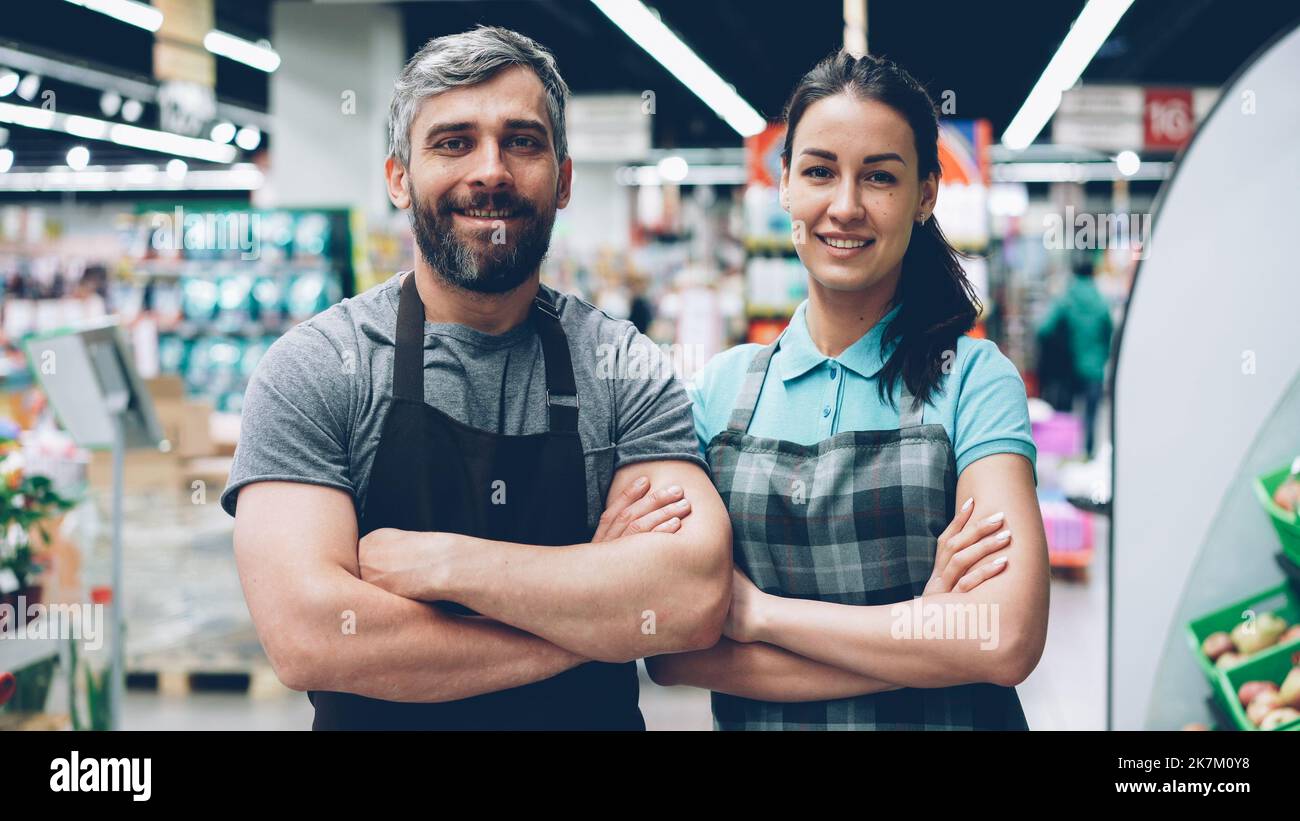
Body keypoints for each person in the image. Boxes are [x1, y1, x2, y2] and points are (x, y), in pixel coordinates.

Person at [222, 26, 732, 730]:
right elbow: (311, 634)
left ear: (564, 179)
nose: (490, 170)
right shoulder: (312, 369)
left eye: (522, 141)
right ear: (399, 177)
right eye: (453, 142)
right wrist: (594, 613)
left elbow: (692, 594)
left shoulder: (626, 365)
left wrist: (442, 565)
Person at [646, 50, 1050, 730]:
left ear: (926, 194)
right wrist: (924, 630)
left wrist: (757, 615)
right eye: (819, 171)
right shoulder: (719, 388)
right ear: (784, 186)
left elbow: (1003, 637)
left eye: (880, 178)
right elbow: (672, 650)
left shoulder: (975, 381)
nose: (845, 206)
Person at [1037, 255, 1114, 457]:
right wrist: (1103, 355)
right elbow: (1109, 331)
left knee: (1069, 415)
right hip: (1095, 368)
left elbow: (1044, 329)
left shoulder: (1066, 298)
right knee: (1091, 415)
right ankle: (1088, 454)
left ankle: (1068, 456)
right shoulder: (1101, 300)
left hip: (1069, 369)